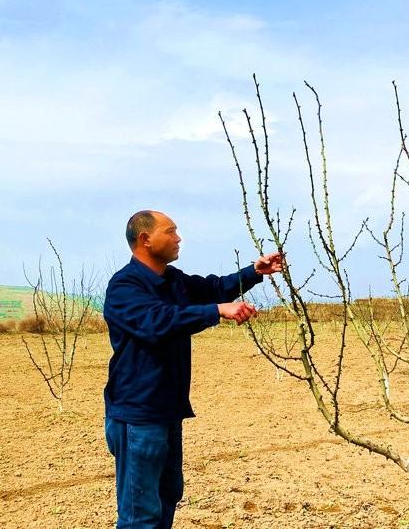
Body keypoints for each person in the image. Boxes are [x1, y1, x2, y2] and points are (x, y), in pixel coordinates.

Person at [102, 209, 283, 528]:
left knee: (168, 496)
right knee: (139, 514)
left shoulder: (173, 280)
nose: (178, 238)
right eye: (170, 232)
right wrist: (216, 311)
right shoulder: (124, 287)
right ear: (145, 239)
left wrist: (254, 272)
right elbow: (156, 322)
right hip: (137, 417)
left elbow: (214, 288)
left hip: (167, 411)